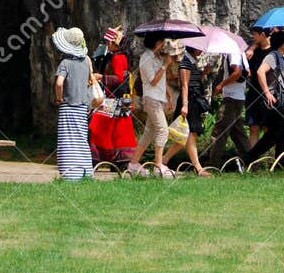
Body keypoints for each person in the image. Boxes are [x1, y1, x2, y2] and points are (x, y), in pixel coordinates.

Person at [88, 27, 135, 166]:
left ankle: (96, 157)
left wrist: (101, 77)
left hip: (114, 100)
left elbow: (120, 79)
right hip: (123, 99)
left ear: (116, 44)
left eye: (110, 42)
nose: (107, 44)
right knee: (121, 130)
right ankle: (121, 160)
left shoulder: (117, 58)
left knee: (97, 126)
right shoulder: (123, 56)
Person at [128, 37, 174, 178]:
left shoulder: (158, 58)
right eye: (162, 42)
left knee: (149, 133)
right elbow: (153, 80)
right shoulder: (146, 58)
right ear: (156, 42)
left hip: (159, 98)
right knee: (163, 130)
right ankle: (158, 165)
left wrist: (169, 95)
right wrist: (165, 65)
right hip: (151, 99)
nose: (164, 45)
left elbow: (162, 79)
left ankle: (134, 163)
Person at [53, 26, 94, 181]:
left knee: (67, 140)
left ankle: (69, 174)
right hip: (83, 107)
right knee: (81, 140)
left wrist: (59, 98)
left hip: (68, 106)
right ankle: (85, 171)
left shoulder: (65, 63)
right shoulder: (86, 62)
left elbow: (59, 83)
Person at [252, 30, 284, 166]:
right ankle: (248, 158)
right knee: (273, 136)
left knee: (282, 136)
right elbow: (260, 72)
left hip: (283, 104)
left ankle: (280, 166)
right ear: (283, 44)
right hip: (275, 102)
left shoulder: (281, 58)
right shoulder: (273, 56)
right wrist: (267, 92)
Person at [206, 49, 252, 168]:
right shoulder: (241, 53)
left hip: (231, 98)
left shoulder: (234, 53)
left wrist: (221, 85)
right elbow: (248, 73)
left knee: (219, 131)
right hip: (239, 97)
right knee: (238, 133)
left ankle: (213, 165)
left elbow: (237, 72)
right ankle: (251, 162)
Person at [171, 46, 211, 174]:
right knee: (191, 134)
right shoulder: (186, 62)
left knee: (186, 136)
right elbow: (184, 86)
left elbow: (194, 82)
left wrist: (204, 73)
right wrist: (185, 105)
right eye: (199, 48)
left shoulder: (192, 62)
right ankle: (198, 168)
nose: (201, 50)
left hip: (193, 100)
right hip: (189, 101)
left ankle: (164, 160)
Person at [244, 26, 271, 146]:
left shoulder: (273, 52)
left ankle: (270, 160)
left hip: (268, 93)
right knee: (253, 127)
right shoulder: (253, 52)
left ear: (263, 35)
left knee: (267, 128)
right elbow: (247, 70)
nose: (253, 37)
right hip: (253, 92)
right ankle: (252, 160)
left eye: (255, 34)